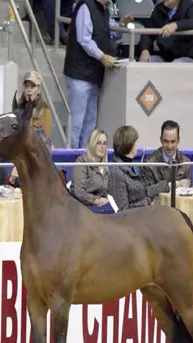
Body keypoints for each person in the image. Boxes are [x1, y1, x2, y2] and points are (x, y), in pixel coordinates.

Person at [63, 0, 132, 148]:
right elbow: (84, 39)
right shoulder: (85, 6)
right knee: (76, 123)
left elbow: (111, 32)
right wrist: (102, 56)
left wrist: (122, 25)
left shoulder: (104, 10)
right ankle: (69, 163)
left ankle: (84, 160)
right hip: (79, 73)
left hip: (94, 75)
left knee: (90, 123)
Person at [70, 128, 115, 213]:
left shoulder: (105, 167)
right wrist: (96, 200)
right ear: (92, 144)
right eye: (99, 143)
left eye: (105, 144)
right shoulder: (82, 162)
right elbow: (79, 192)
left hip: (100, 209)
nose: (102, 147)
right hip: (82, 208)